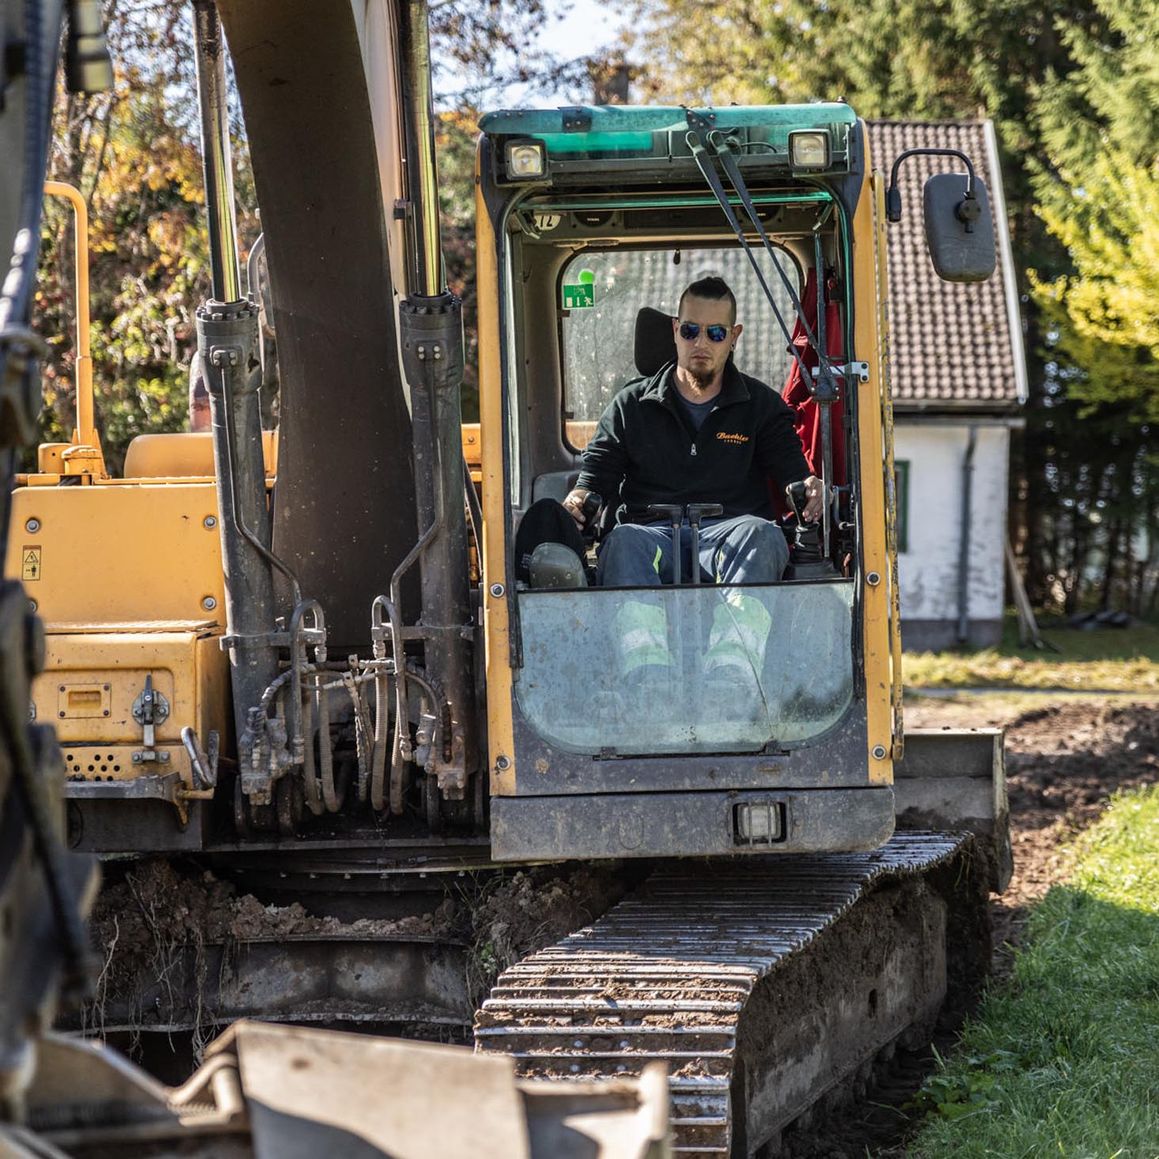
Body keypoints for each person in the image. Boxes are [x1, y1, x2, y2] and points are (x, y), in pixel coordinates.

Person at [560, 275, 823, 696]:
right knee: (622, 541)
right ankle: (647, 682)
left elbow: (795, 474)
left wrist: (811, 488)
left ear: (733, 337)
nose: (702, 342)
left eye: (716, 333)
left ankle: (732, 679)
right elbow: (595, 479)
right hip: (651, 537)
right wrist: (577, 501)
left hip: (730, 537)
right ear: (674, 332)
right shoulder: (631, 406)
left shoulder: (761, 407)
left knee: (762, 535)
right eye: (690, 330)